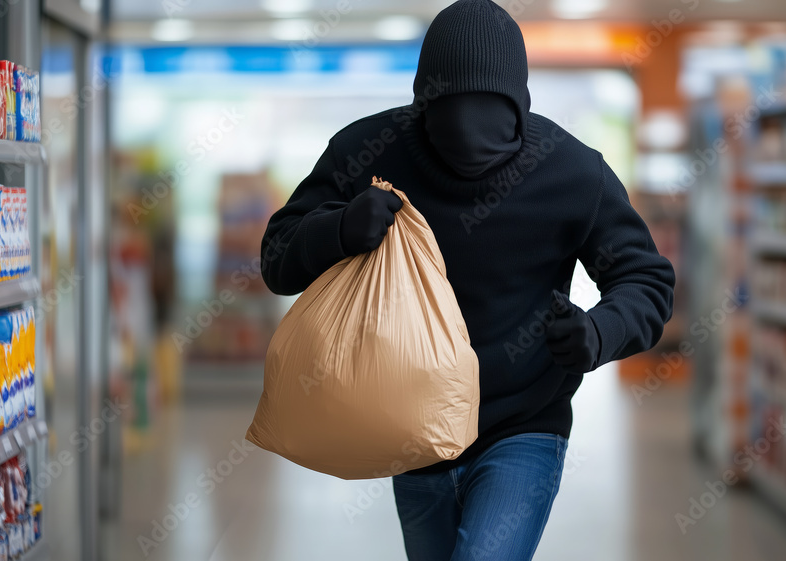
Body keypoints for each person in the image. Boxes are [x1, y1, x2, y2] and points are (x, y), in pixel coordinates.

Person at [260, 0, 675, 559]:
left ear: (520, 107)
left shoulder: (572, 173)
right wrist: (336, 229)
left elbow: (645, 279)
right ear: (421, 102)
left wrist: (600, 331)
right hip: (410, 423)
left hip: (524, 424)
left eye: (490, 112)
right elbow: (277, 257)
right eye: (449, 110)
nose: (469, 132)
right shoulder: (367, 152)